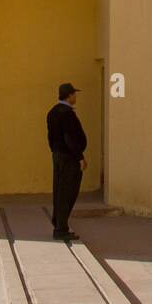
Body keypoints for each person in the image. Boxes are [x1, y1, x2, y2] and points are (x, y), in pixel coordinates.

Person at [46, 81, 87, 241]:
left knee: (59, 189)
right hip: (69, 158)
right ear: (69, 95)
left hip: (57, 156)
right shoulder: (67, 113)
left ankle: (58, 222)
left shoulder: (52, 112)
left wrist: (55, 152)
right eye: (74, 94)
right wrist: (80, 157)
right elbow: (70, 138)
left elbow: (50, 137)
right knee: (68, 192)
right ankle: (61, 228)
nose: (76, 96)